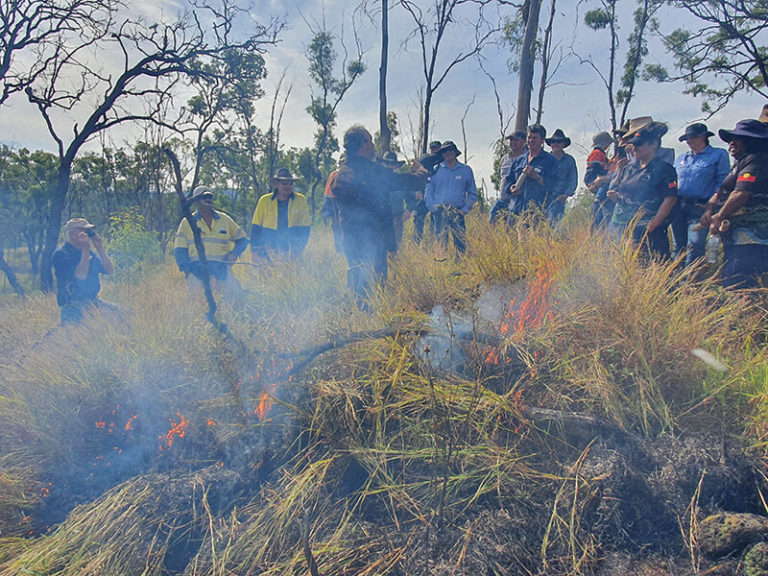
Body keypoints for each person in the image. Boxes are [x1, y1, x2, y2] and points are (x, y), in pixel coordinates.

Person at [331, 125, 427, 302]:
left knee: (358, 282)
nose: (373, 145)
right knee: (376, 283)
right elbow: (405, 181)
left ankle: (360, 318)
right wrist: (421, 173)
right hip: (374, 238)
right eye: (370, 140)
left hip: (352, 238)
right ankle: (371, 319)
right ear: (363, 143)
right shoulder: (372, 171)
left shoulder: (343, 174)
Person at [699, 119, 768, 288]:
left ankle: (747, 314)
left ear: (750, 141)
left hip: (752, 236)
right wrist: (710, 209)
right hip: (740, 236)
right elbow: (723, 191)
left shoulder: (756, 162)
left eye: (737, 139)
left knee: (739, 281)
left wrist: (719, 216)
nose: (731, 143)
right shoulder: (740, 163)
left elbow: (741, 194)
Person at [608, 117, 678, 259]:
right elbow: (625, 194)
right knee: (627, 263)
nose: (634, 148)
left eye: (639, 144)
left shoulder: (665, 169)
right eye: (633, 144)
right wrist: (616, 198)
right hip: (626, 225)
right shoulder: (629, 169)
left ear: (653, 145)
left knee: (655, 263)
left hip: (650, 228)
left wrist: (653, 224)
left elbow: (670, 199)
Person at [671, 123, 730, 266]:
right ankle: (673, 281)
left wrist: (711, 206)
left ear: (704, 137)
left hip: (700, 207)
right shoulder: (681, 158)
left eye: (693, 137)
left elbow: (722, 183)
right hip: (678, 206)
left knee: (695, 245)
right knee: (678, 246)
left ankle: (689, 283)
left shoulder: (718, 155)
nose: (690, 141)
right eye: (687, 138)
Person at [174, 187, 248, 298]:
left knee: (235, 297)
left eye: (210, 197)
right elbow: (179, 250)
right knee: (197, 303)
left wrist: (234, 253)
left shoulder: (225, 219)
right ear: (196, 201)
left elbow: (243, 239)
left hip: (222, 270)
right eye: (204, 197)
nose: (208, 200)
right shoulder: (187, 222)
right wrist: (188, 271)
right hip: (197, 271)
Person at [52, 217, 115, 324]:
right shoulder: (61, 254)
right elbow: (80, 275)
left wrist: (100, 248)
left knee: (126, 316)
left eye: (87, 231)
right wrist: (85, 249)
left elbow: (109, 270)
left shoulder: (89, 252)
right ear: (72, 234)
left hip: (93, 301)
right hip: (73, 305)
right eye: (83, 231)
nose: (87, 234)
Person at [425, 140, 478, 255]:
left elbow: (473, 193)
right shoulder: (435, 170)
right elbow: (428, 192)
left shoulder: (465, 170)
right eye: (445, 151)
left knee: (461, 244)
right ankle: (442, 268)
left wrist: (464, 210)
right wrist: (434, 209)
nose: (448, 153)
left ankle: (461, 268)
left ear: (455, 152)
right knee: (441, 244)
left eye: (450, 150)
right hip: (440, 211)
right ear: (442, 154)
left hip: (457, 211)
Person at [251, 169, 311, 261]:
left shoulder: (301, 200)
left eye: (290, 184)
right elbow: (255, 228)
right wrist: (255, 252)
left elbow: (305, 229)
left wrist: (298, 250)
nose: (288, 187)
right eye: (284, 184)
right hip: (267, 250)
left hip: (291, 251)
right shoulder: (264, 201)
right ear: (276, 184)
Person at [509, 124, 559, 215]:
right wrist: (511, 188)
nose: (531, 141)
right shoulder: (519, 160)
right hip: (516, 209)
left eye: (535, 138)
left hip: (538, 210)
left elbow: (553, 185)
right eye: (529, 137)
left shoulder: (550, 160)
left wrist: (536, 176)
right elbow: (509, 181)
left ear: (542, 140)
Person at [490, 131, 527, 223]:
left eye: (516, 140)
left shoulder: (527, 158)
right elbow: (502, 178)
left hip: (518, 199)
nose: (512, 143)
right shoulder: (505, 158)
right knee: (492, 216)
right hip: (504, 198)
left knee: (512, 223)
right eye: (511, 140)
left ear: (523, 141)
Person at [381, 151, 413, 252]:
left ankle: (395, 267)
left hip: (397, 221)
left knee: (395, 249)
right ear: (383, 164)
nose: (390, 166)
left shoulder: (401, 181)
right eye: (387, 164)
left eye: (392, 164)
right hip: (380, 222)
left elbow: (411, 199)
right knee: (380, 250)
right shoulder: (376, 181)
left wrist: (408, 211)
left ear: (396, 166)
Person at [545, 128, 578, 223]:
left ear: (563, 144)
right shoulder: (545, 159)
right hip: (545, 197)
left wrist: (566, 194)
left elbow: (573, 179)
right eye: (553, 142)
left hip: (559, 199)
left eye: (559, 142)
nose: (555, 144)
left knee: (554, 224)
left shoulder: (569, 160)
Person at [413, 140, 443, 242]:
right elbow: (414, 174)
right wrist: (417, 191)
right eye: (433, 149)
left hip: (437, 195)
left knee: (436, 219)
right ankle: (417, 242)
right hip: (422, 192)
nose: (435, 151)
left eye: (437, 149)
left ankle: (433, 241)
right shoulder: (424, 159)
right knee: (419, 218)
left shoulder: (443, 161)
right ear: (430, 150)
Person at [322, 157, 344, 254]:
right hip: (335, 204)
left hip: (349, 206)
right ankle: (339, 251)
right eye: (342, 162)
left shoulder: (355, 174)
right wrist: (327, 211)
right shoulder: (334, 175)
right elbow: (328, 194)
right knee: (337, 227)